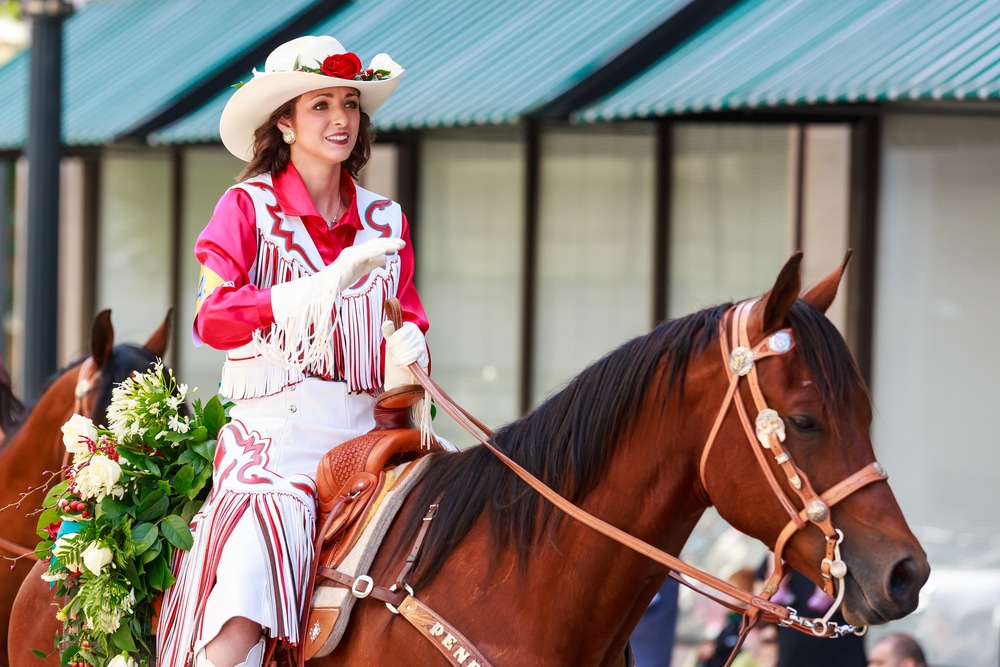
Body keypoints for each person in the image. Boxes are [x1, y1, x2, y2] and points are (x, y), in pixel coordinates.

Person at [157, 35, 429, 667]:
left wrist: (410, 349)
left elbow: (408, 323)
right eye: (321, 106)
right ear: (284, 122)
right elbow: (212, 319)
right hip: (274, 448)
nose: (340, 120)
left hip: (371, 438)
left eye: (350, 105)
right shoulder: (244, 207)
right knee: (242, 612)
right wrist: (306, 293)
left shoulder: (387, 219)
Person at [756, 560, 866, 667]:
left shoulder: (845, 555)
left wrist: (837, 597)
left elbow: (864, 606)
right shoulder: (782, 554)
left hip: (841, 653)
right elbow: (758, 603)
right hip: (791, 654)